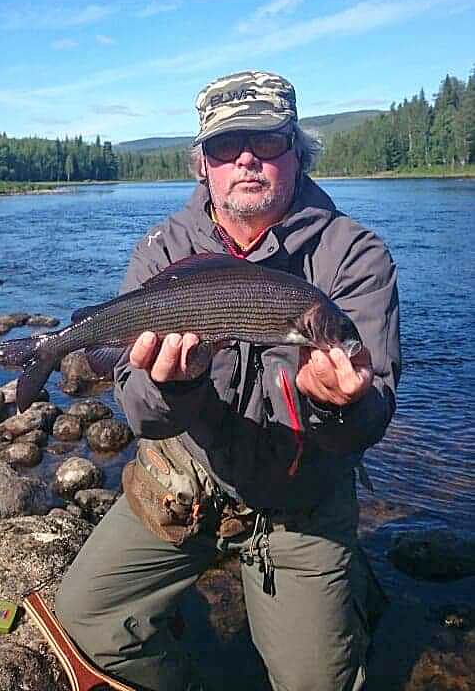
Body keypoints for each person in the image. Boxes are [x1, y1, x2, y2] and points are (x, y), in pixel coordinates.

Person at [55, 70, 401, 691]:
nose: (246, 157)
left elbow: (371, 418)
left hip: (300, 501)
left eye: (266, 142)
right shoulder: (162, 248)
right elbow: (140, 413)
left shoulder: (355, 254)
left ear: (295, 150)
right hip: (187, 483)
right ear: (203, 164)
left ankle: (345, 595)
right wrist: (176, 386)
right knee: (83, 615)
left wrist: (336, 406)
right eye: (225, 145)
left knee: (315, 683)